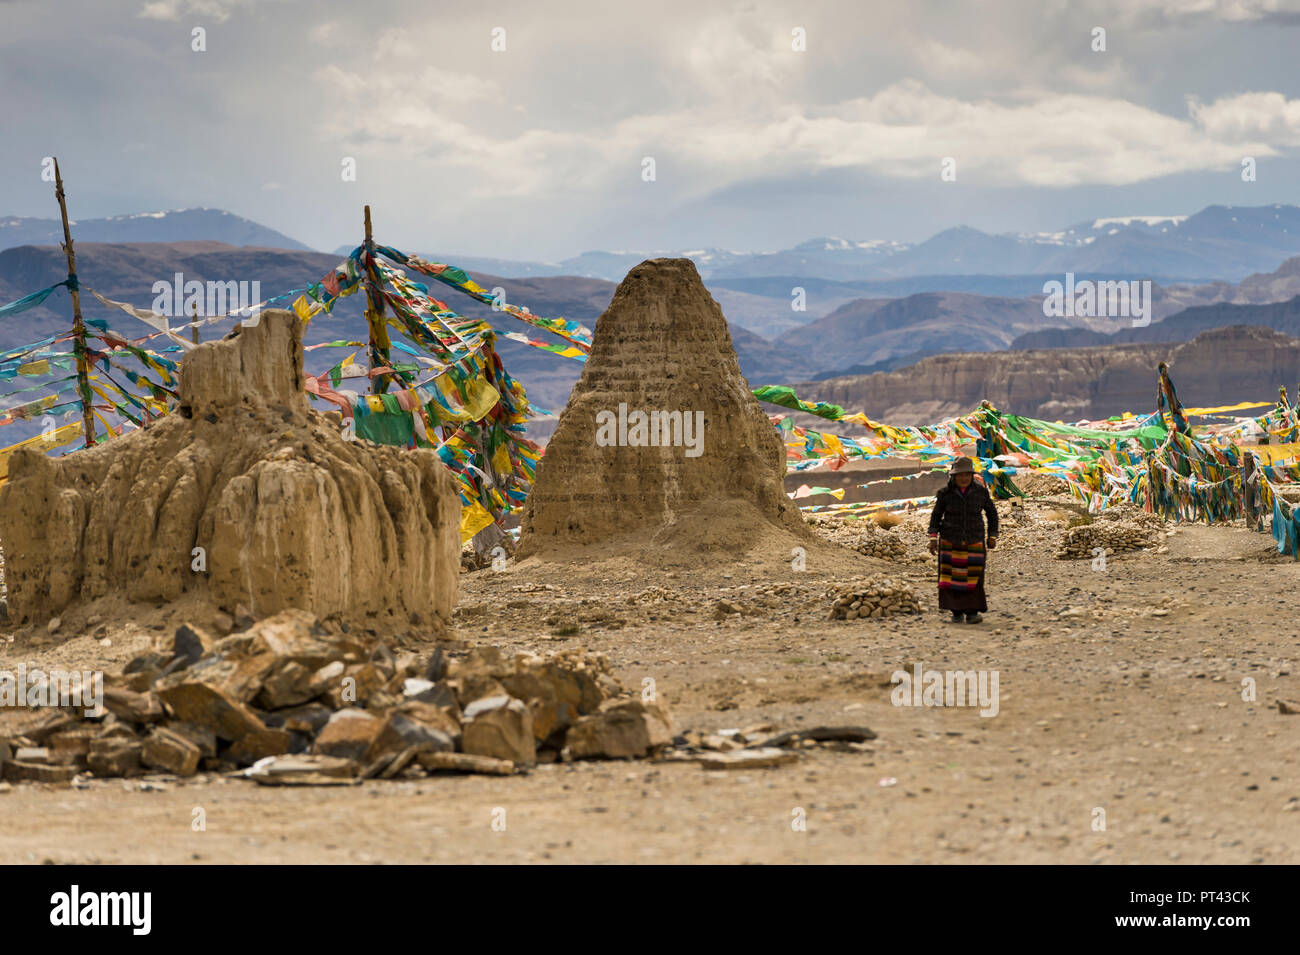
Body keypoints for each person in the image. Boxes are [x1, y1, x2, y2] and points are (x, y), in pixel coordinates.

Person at [927, 456, 999, 624]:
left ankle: (972, 613)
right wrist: (932, 538)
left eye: (967, 474)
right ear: (954, 476)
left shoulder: (981, 492)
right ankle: (956, 612)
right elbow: (936, 517)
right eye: (960, 475)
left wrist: (992, 535)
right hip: (950, 541)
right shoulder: (945, 494)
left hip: (975, 539)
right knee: (950, 579)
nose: (964, 478)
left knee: (974, 578)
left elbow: (992, 514)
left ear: (972, 475)